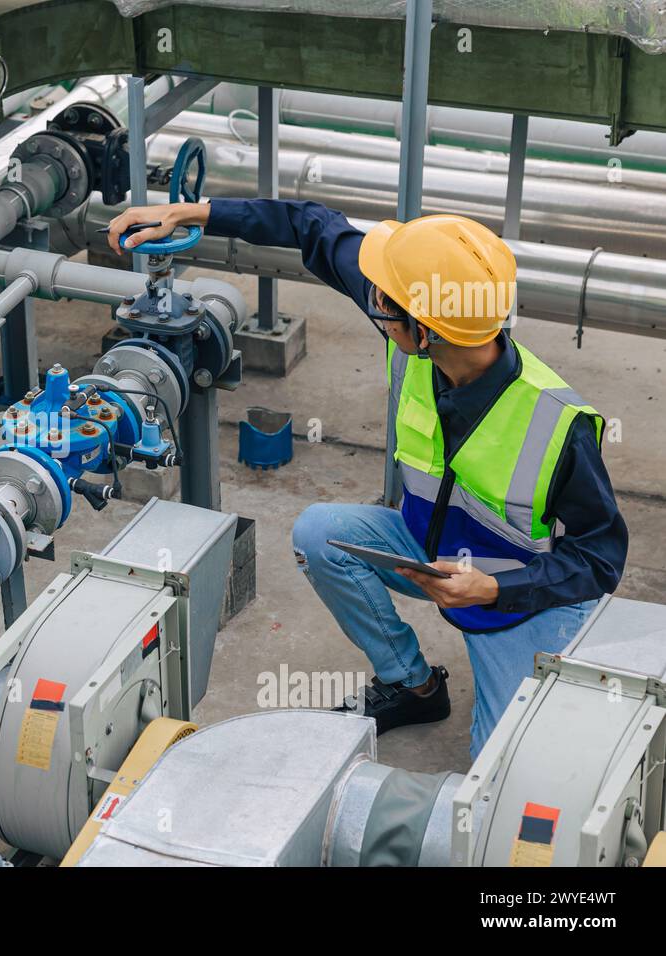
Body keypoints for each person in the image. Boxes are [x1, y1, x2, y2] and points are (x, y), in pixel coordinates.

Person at [107, 199, 627, 757]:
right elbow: (314, 228)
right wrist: (192, 213)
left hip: (521, 599)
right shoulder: (424, 324)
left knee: (500, 781)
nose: (372, 301)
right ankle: (412, 685)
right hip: (425, 552)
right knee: (319, 534)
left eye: (383, 301)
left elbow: (601, 560)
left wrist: (494, 589)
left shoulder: (556, 423)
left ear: (424, 331)